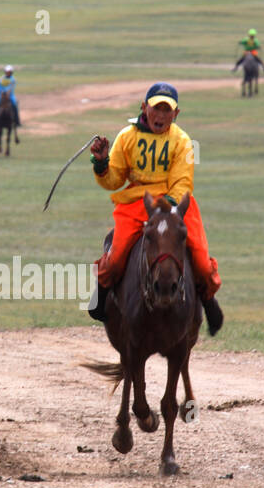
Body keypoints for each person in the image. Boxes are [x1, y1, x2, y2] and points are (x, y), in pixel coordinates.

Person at [87, 82, 224, 335]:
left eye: (166, 110)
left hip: (175, 203)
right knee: (116, 256)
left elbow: (183, 181)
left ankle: (207, 299)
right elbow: (113, 180)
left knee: (200, 259)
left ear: (176, 114)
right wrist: (101, 162)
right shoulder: (127, 137)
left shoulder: (182, 141)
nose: (160, 116)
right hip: (136, 202)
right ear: (144, 107)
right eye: (155, 109)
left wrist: (168, 209)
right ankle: (102, 292)